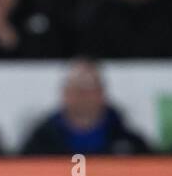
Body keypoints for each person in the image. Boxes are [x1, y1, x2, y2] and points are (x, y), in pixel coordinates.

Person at [21, 58, 150, 155]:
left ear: (102, 93)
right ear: (65, 93)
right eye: (77, 88)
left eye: (89, 88)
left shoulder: (129, 144)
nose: (82, 96)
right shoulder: (41, 143)